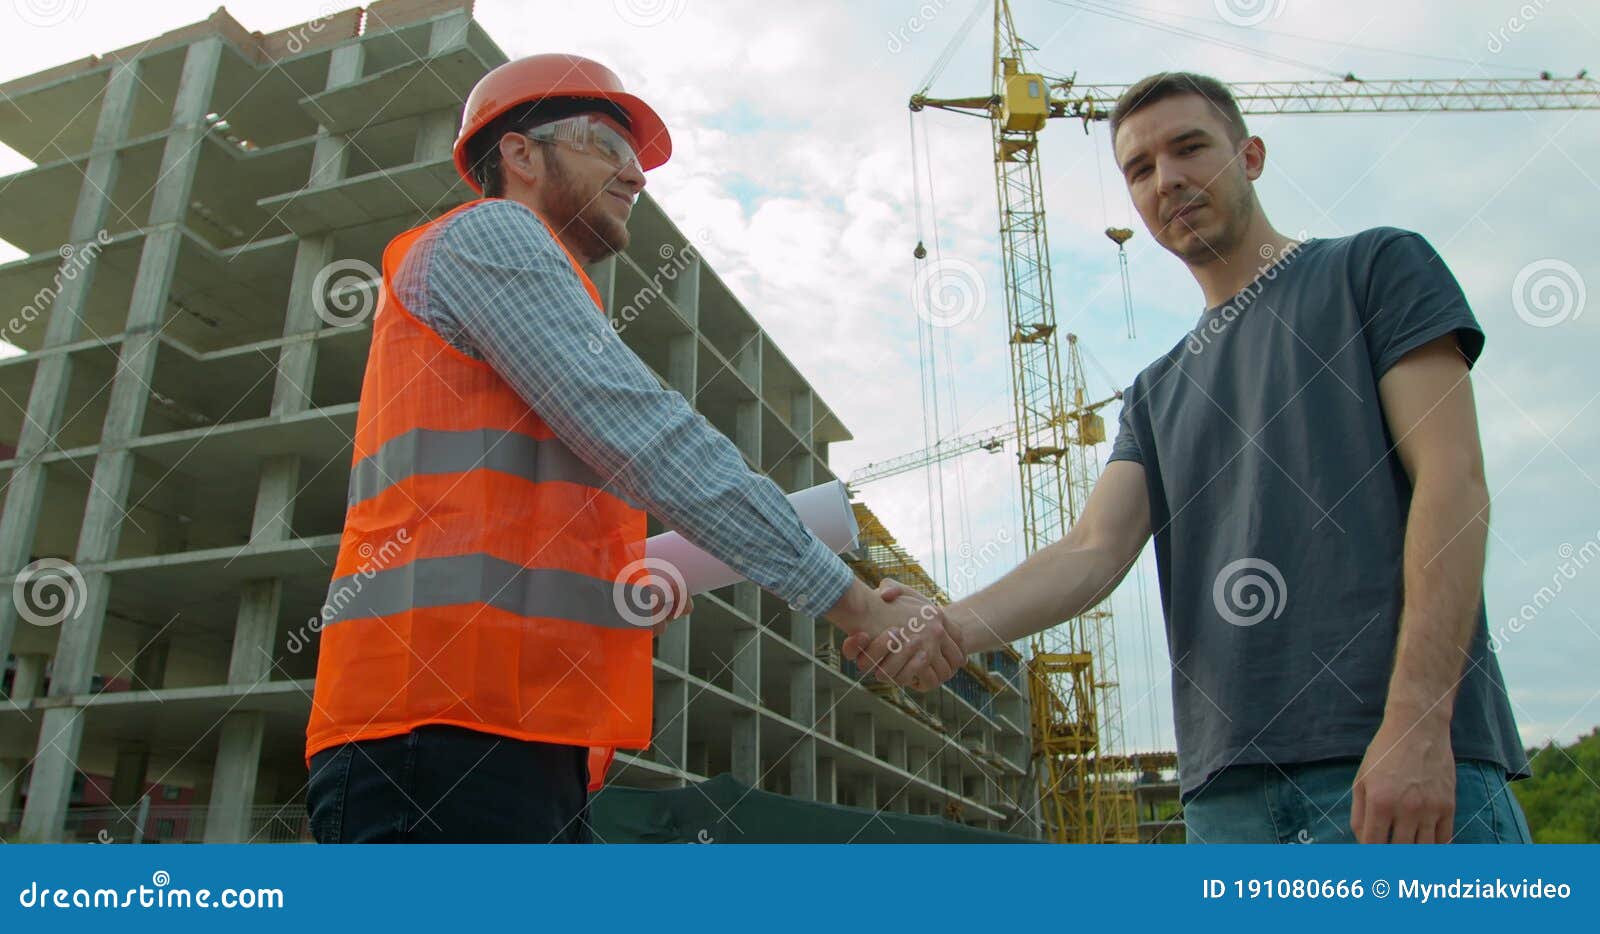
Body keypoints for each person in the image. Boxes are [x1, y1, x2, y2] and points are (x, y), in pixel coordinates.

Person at [849, 71, 1530, 844]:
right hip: (1226, 800)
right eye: (1139, 169)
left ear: (1250, 156)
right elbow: (1090, 551)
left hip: (1388, 764)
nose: (1166, 179)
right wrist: (944, 625)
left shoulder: (1374, 269)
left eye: (1189, 148)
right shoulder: (1155, 391)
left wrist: (1417, 720)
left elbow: (1452, 480)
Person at [304, 54, 961, 844]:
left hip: (501, 735)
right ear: (519, 154)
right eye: (608, 146)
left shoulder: (527, 281)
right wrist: (851, 601)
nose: (636, 174)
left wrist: (625, 579)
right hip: (439, 735)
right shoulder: (491, 235)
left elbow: (510, 523)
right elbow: (646, 434)